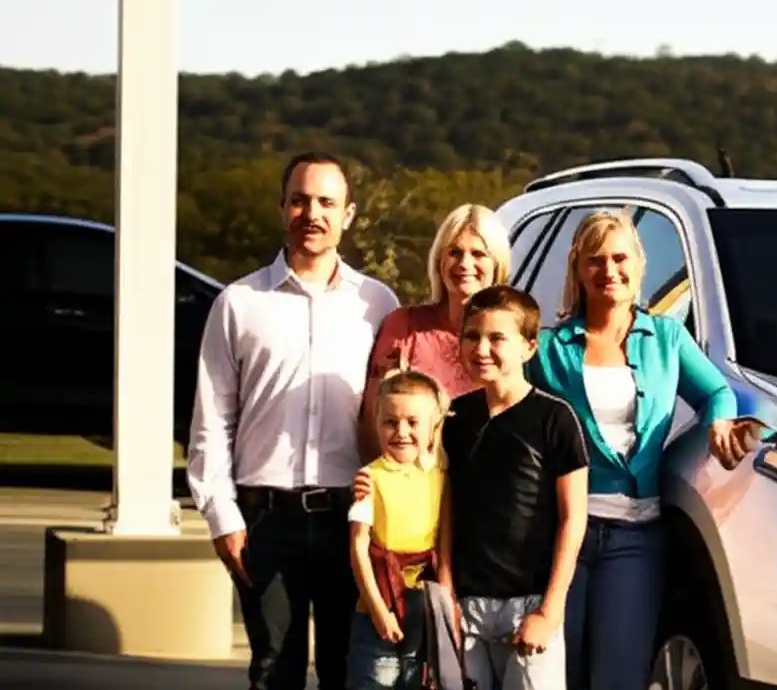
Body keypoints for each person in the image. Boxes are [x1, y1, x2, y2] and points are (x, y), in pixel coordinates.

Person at [186, 151, 401, 690]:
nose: (313, 213)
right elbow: (212, 421)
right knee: (273, 672)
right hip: (265, 522)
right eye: (301, 200)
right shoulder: (238, 303)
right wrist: (222, 518)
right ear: (282, 207)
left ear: (348, 214)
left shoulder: (377, 304)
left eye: (327, 202)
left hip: (349, 521)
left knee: (344, 671)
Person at [525, 210, 749, 690]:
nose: (609, 270)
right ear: (578, 269)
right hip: (563, 534)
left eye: (620, 257)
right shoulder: (548, 349)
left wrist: (717, 427)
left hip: (636, 537)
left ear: (639, 263)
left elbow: (717, 393)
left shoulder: (667, 338)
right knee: (555, 674)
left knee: (620, 676)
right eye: (596, 260)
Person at [447, 285, 589, 690]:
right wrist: (446, 599)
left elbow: (573, 517)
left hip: (528, 604)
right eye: (472, 336)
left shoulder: (554, 419)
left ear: (529, 346)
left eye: (497, 338)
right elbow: (447, 510)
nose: (481, 348)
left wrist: (550, 610)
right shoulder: (455, 419)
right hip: (466, 607)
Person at [358, 203, 511, 463]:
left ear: (497, 263)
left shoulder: (512, 338)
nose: (465, 264)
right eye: (454, 252)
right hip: (414, 490)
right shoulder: (404, 328)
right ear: (439, 261)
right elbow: (372, 423)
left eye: (478, 254)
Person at [348, 369, 452, 690]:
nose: (401, 432)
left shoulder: (440, 475)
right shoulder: (370, 477)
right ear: (376, 423)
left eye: (413, 422)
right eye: (390, 422)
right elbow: (359, 548)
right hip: (378, 604)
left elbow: (444, 540)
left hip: (425, 606)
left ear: (433, 427)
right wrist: (380, 612)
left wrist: (446, 605)